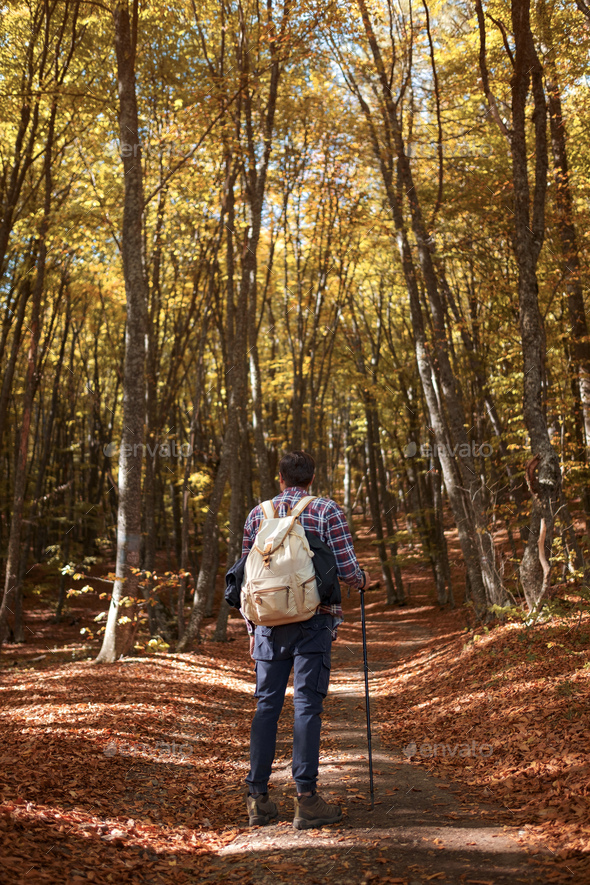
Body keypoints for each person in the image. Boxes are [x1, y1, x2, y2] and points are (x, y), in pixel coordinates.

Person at [242, 450, 371, 829]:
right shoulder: (326, 510)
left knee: (266, 706)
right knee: (306, 706)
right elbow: (346, 568)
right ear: (311, 479)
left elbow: (248, 576)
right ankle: (306, 799)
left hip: (268, 624)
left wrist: (252, 628)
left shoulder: (257, 514)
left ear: (279, 478)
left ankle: (257, 799)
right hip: (315, 622)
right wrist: (360, 580)